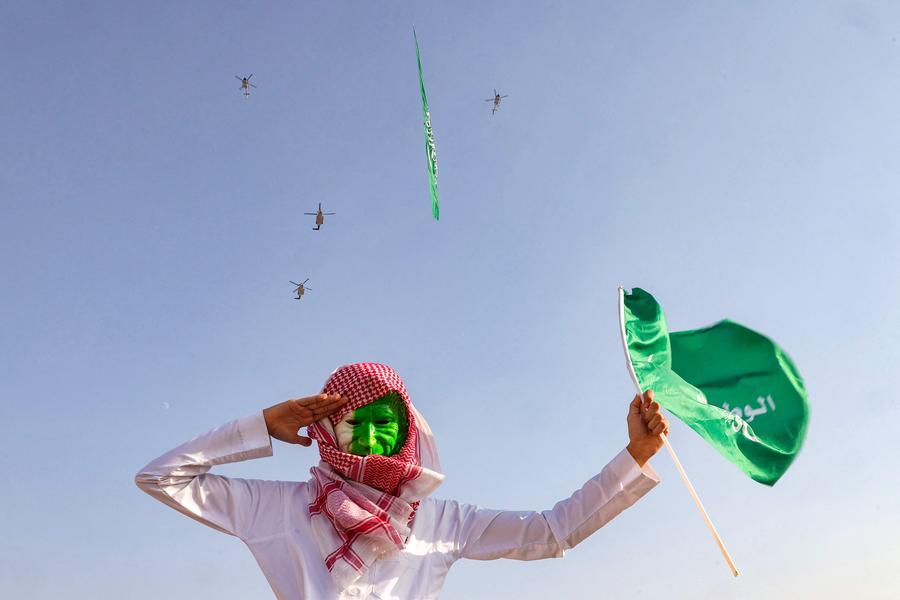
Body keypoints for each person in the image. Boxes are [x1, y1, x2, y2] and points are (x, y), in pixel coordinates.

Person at [135, 362, 669, 599]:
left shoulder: (442, 522)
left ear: (407, 430)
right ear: (329, 433)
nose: (368, 440)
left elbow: (553, 532)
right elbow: (161, 478)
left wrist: (634, 455)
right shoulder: (278, 510)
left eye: (382, 423)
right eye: (354, 424)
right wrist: (260, 426)